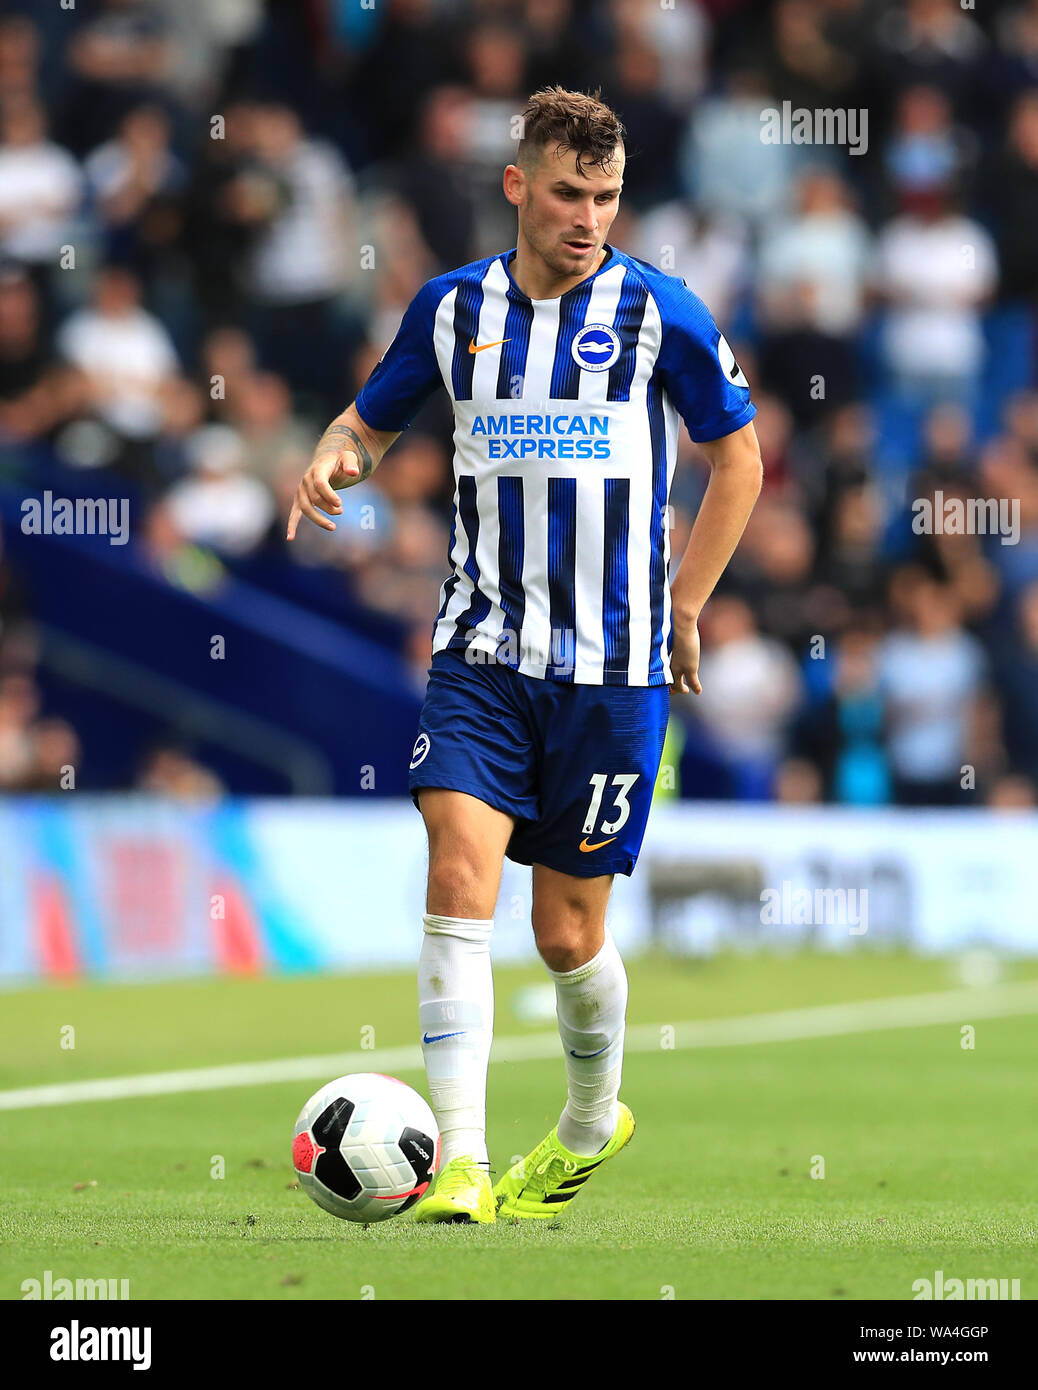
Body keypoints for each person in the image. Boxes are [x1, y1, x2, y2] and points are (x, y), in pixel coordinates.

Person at [286, 87, 762, 1224]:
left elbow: (738, 460)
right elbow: (372, 419)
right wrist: (331, 456)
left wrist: (687, 602)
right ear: (518, 187)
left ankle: (596, 1116)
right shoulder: (452, 310)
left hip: (613, 669)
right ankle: (461, 1159)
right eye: (566, 193)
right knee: (458, 874)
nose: (588, 216)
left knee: (565, 935)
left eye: (605, 196)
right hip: (480, 653)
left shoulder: (663, 312)